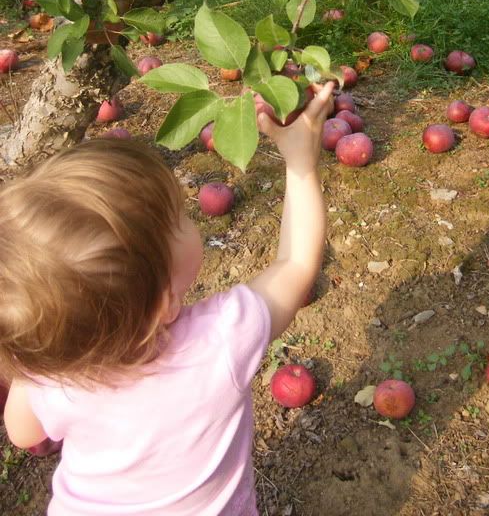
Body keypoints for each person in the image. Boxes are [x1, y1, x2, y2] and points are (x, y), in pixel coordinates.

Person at [0, 81, 335, 516]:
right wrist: (301, 164)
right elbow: (294, 265)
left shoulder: (58, 378)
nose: (189, 211)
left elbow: (23, 432)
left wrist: (37, 358)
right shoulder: (219, 341)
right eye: (178, 216)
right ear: (163, 303)